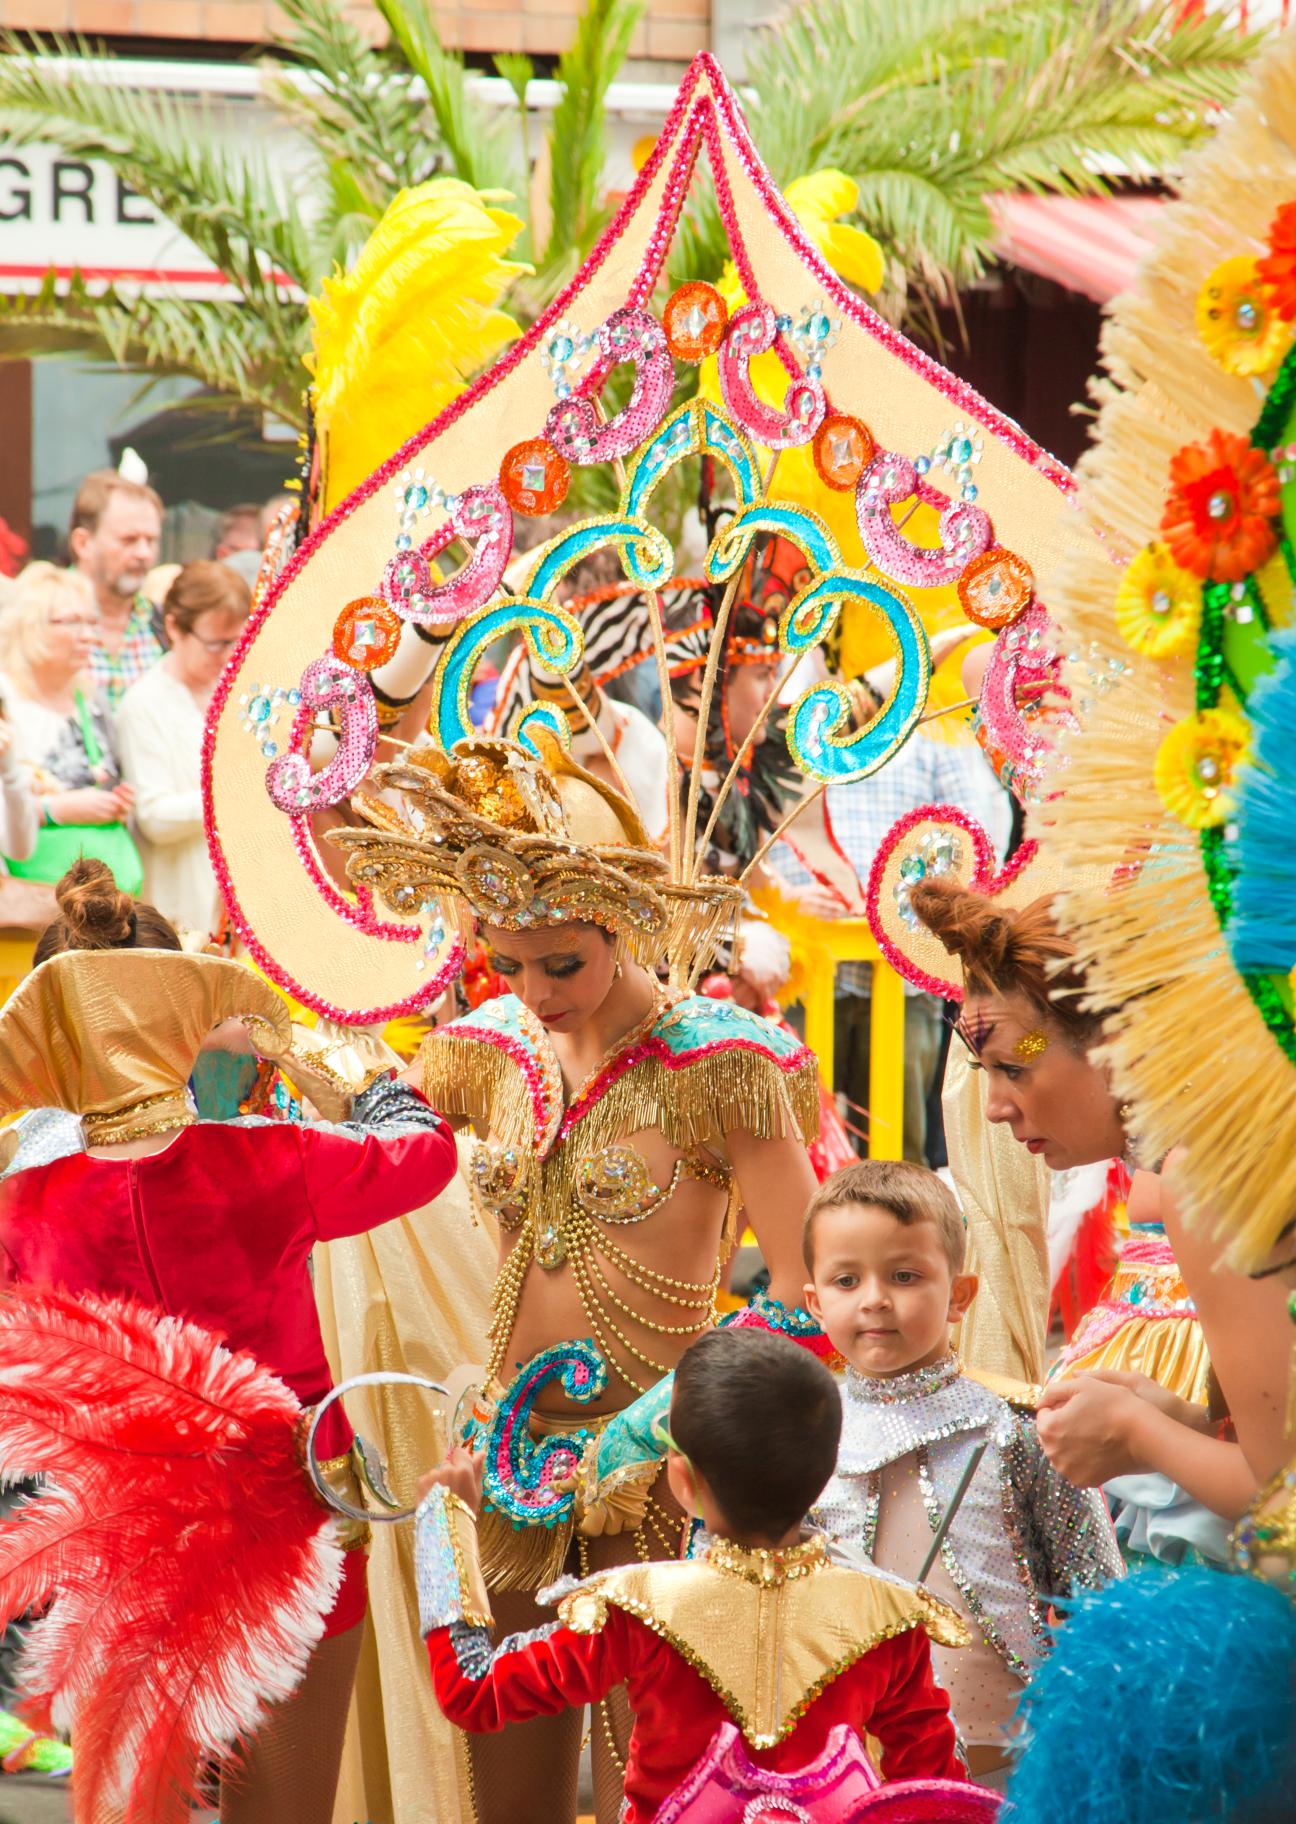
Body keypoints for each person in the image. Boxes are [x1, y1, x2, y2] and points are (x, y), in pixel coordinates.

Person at [326, 730, 821, 1824]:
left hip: (672, 1478)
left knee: (674, 1784)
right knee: (509, 1778)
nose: (532, 992)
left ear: (623, 926)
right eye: (504, 963)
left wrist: (659, 1425)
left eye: (561, 963)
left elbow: (806, 1292)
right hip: (507, 1458)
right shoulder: (486, 1049)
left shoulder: (721, 1065)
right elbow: (375, 1152)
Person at [0, 859, 460, 1824]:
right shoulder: (272, 1158)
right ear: (187, 1015)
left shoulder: (23, 1203)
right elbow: (426, 1156)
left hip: (112, 1545)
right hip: (287, 1528)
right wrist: (349, 1067)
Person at [416, 1327, 970, 1824]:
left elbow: (473, 1689)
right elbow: (938, 1796)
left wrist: (446, 1525)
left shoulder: (636, 1607)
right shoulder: (888, 1616)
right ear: (826, 1473)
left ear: (681, 1480)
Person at [909, 876, 1251, 1565]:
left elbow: (1281, 1504)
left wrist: (1136, 1432)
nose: (995, 1107)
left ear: (1110, 1043)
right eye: (985, 1074)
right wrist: (1176, 1418)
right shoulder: (1206, 1148)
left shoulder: (1200, 1177)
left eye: (1012, 1068)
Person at [804, 1158, 1123, 1785]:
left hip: (1004, 1743)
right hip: (844, 1747)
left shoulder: (1020, 1427)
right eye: (846, 1280)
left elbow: (1097, 1594)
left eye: (904, 1275)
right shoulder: (804, 1434)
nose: (874, 1299)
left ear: (959, 1295)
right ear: (814, 1301)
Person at [770, 733, 1011, 1165]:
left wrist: (915, 907)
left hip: (902, 980)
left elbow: (975, 837)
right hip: (798, 974)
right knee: (790, 1141)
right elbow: (748, 828)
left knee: (899, 1150)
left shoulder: (935, 737)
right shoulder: (793, 729)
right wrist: (781, 893)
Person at [118, 560, 250, 935]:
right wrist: (234, 795)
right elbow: (154, 817)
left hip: (242, 905)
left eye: (236, 642)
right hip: (179, 910)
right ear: (174, 627)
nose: (227, 656)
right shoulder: (144, 703)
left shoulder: (240, 692)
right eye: (215, 644)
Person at [0, 562, 142, 895]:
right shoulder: (6, 702)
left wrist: (113, 800)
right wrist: (57, 810)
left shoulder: (90, 701)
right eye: (72, 622)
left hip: (99, 892)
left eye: (92, 622)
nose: (88, 636)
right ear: (28, 625)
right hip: (30, 891)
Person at [66, 469, 164, 710]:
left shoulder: (164, 625)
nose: (144, 553)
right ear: (83, 543)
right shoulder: (39, 617)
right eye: (128, 540)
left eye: (151, 540)